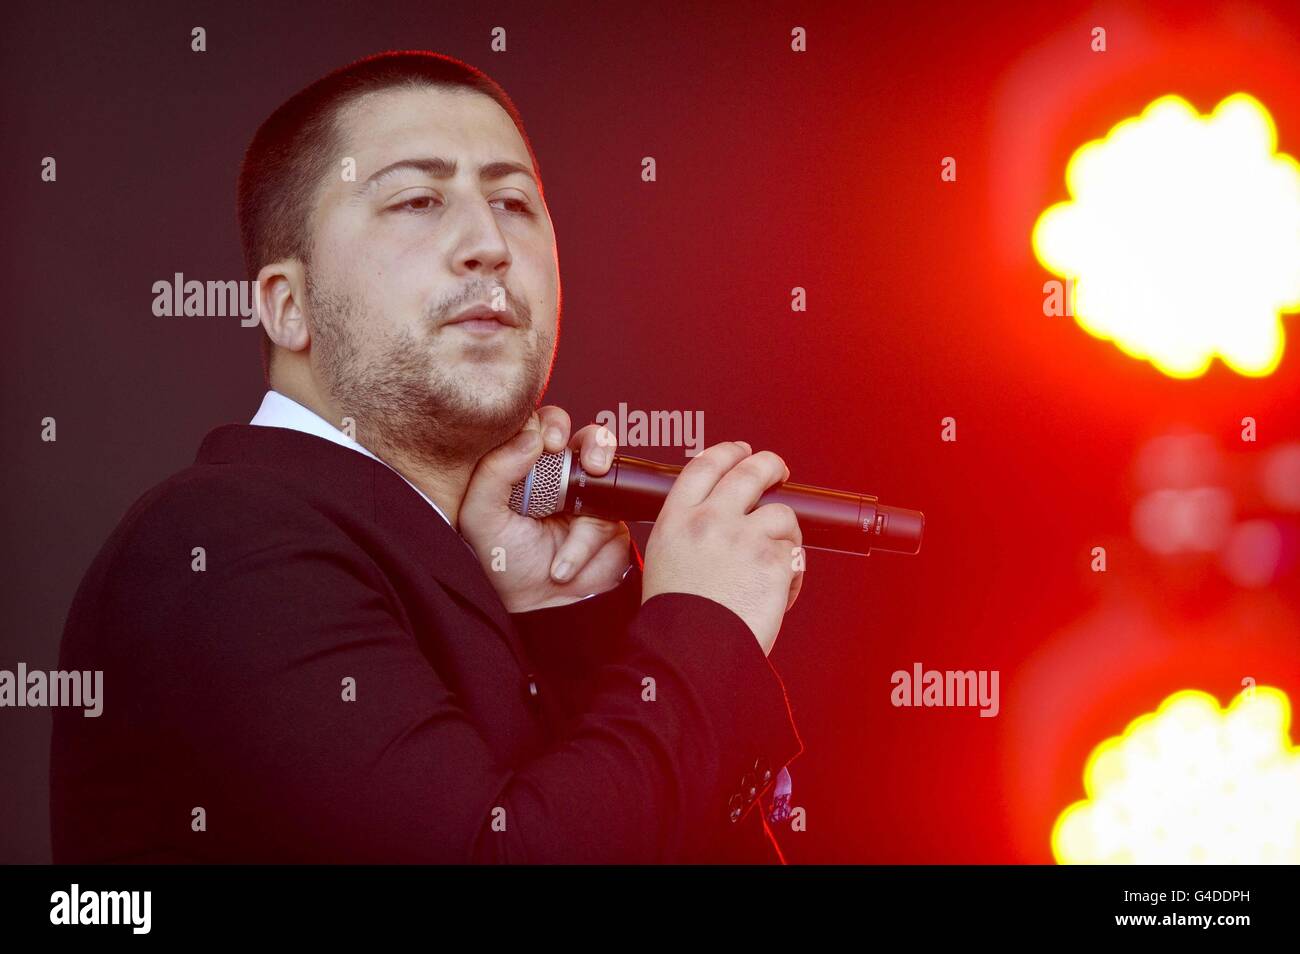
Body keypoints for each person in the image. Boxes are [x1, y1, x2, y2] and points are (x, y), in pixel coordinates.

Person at [50, 50, 805, 863]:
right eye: (417, 200)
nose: (488, 244)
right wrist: (703, 627)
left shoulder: (471, 571)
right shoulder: (219, 539)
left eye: (515, 202)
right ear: (287, 305)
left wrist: (574, 627)